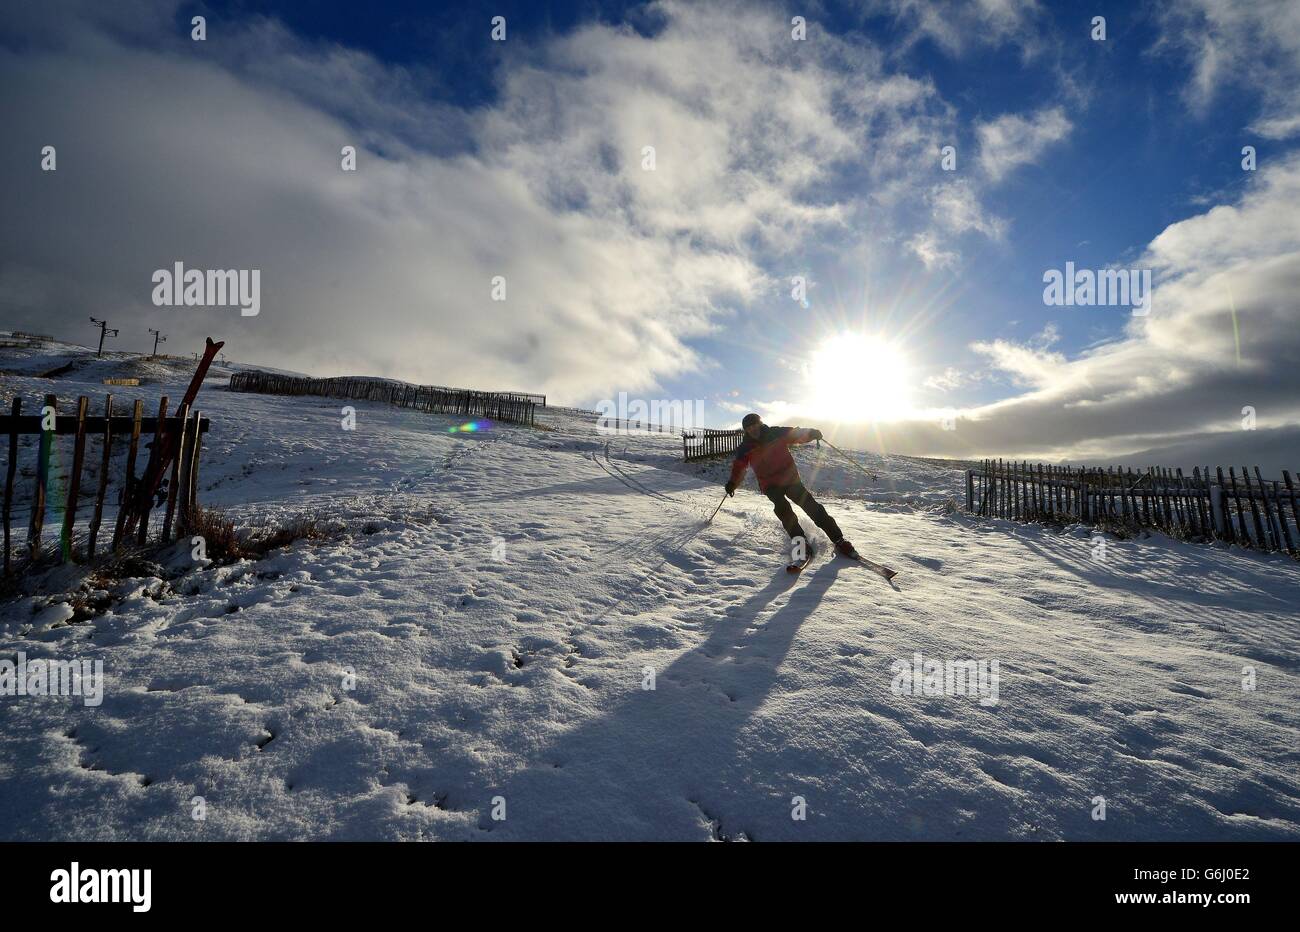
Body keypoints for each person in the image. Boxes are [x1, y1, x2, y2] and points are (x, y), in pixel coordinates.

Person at [724, 413, 857, 559]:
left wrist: (811, 433)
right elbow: (739, 467)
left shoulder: (775, 433)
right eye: (749, 427)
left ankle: (838, 539)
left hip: (790, 479)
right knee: (783, 510)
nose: (753, 429)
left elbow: (796, 433)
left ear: (760, 424)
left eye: (755, 425)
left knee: (811, 506)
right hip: (770, 484)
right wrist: (732, 483)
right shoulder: (745, 448)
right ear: (746, 430)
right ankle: (800, 543)